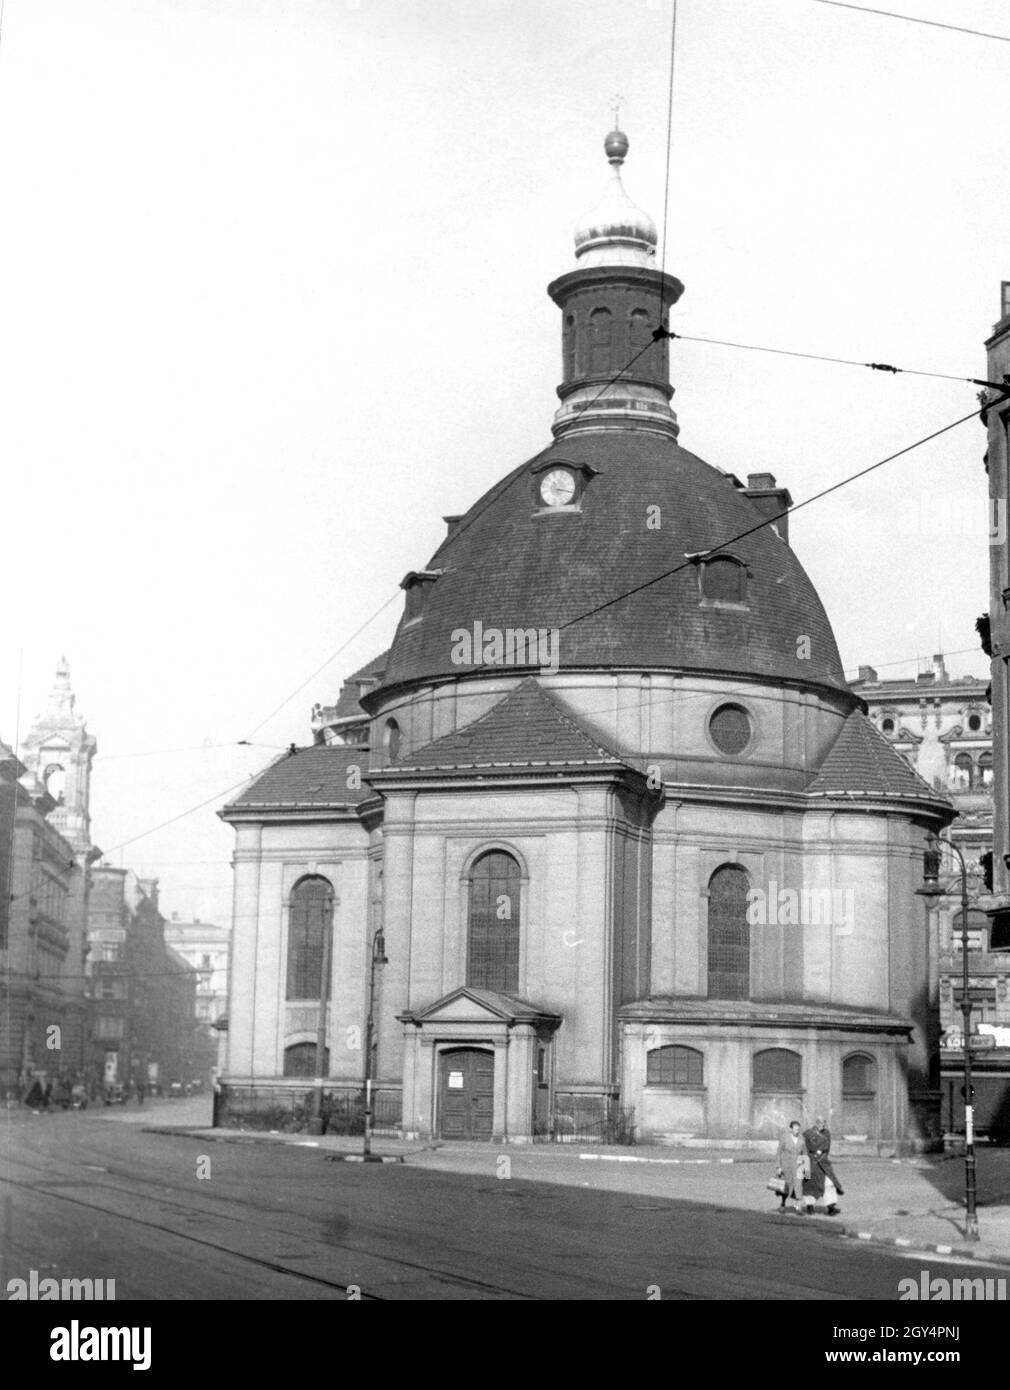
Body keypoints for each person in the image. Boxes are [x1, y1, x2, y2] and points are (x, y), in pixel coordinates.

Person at [802, 1115, 845, 1215]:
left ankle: (831, 1207)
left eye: (822, 1122)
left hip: (823, 1163)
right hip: (810, 1162)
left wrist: (818, 1150)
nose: (821, 1124)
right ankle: (810, 1206)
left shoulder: (826, 1133)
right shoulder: (808, 1133)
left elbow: (826, 1147)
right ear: (815, 1123)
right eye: (818, 1122)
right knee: (809, 1184)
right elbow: (806, 1146)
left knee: (829, 1183)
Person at [776, 1119, 807, 1211]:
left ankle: (798, 1207)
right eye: (795, 1129)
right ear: (791, 1129)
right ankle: (783, 1203)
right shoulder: (784, 1138)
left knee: (798, 1186)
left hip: (798, 1166)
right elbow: (778, 1153)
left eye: (798, 1129)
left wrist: (806, 1169)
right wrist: (778, 1167)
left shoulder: (802, 1139)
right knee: (786, 1185)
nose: (797, 1131)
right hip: (787, 1166)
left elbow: (805, 1154)